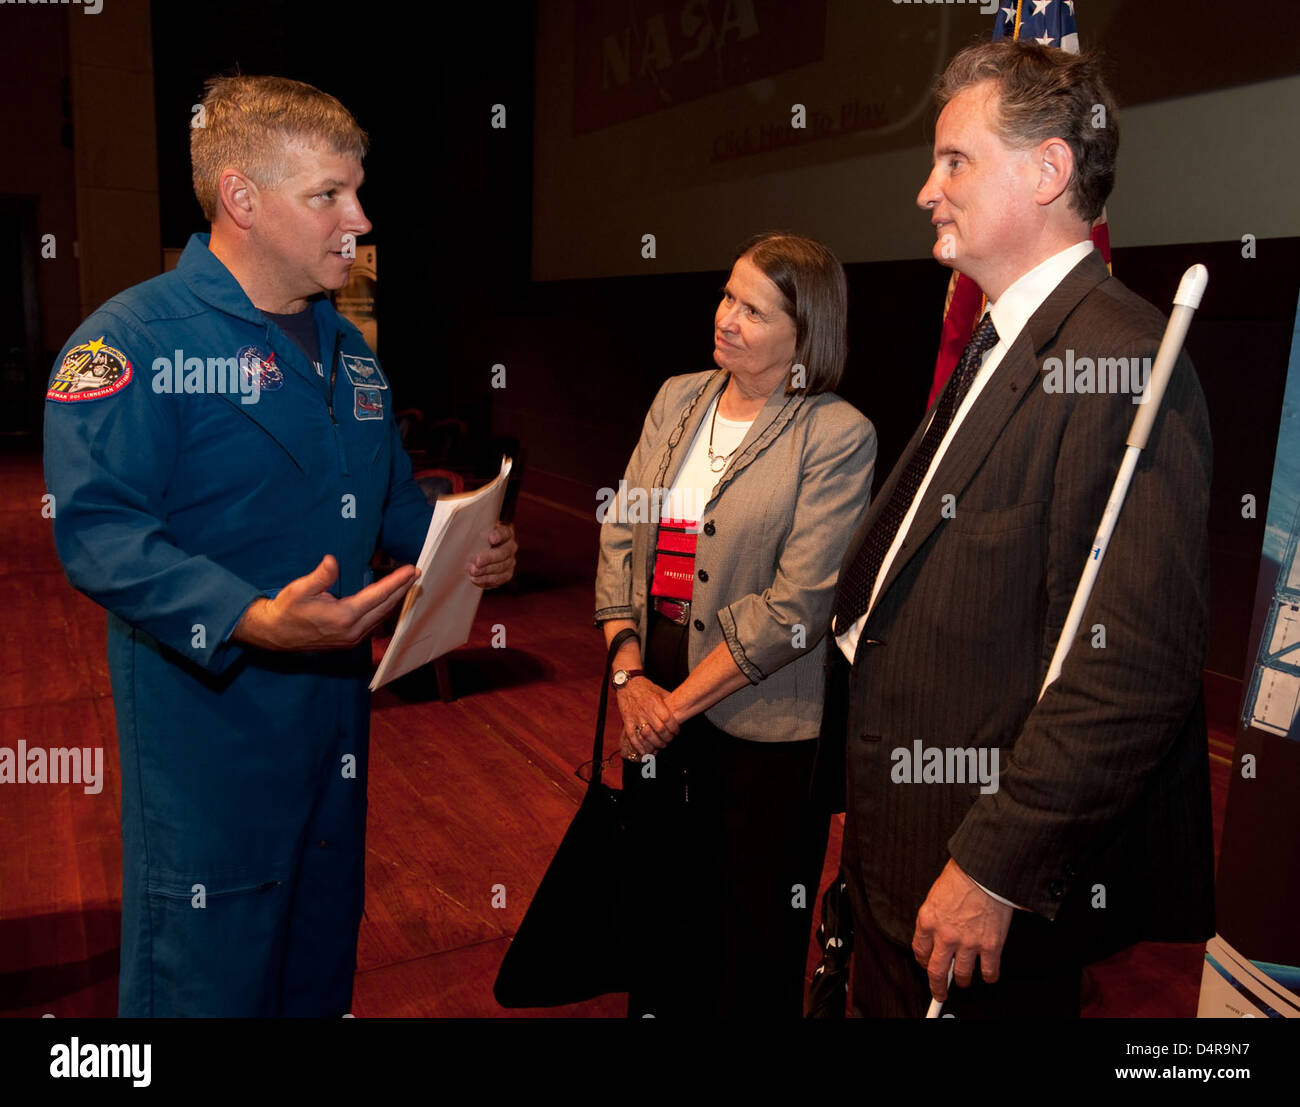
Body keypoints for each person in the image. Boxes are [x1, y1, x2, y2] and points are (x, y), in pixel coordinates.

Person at [43, 75, 517, 1017]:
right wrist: (250, 617)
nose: (361, 217)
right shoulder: (131, 342)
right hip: (209, 744)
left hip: (335, 735)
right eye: (329, 196)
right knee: (204, 980)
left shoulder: (350, 353)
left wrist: (455, 536)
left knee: (315, 968)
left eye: (357, 191)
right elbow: (99, 529)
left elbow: (382, 501)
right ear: (242, 199)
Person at [827, 40, 1214, 1018]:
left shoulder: (1123, 363)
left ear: (1048, 171)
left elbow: (1131, 670)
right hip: (900, 839)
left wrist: (996, 865)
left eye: (952, 161)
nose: (926, 190)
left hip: (978, 881)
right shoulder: (998, 343)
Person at [594, 232, 877, 1017]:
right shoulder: (676, 397)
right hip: (646, 697)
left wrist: (670, 707)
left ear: (804, 333)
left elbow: (798, 606)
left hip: (761, 735)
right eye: (727, 296)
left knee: (749, 943)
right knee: (658, 918)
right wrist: (628, 676)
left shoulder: (836, 433)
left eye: (753, 310)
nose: (726, 318)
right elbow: (624, 538)